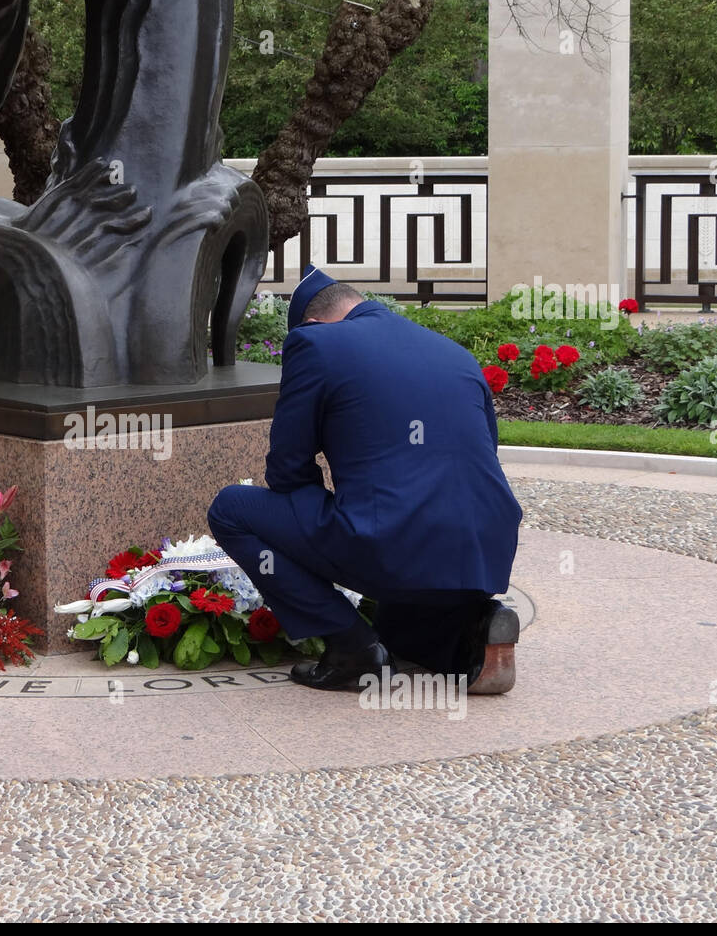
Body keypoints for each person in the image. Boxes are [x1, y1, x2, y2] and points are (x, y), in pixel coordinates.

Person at [208, 266, 524, 692]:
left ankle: (353, 650)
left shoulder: (315, 343)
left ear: (313, 323)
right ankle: (477, 627)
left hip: (391, 542)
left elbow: (286, 468)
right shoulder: (454, 353)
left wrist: (325, 521)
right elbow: (484, 452)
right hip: (484, 551)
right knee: (398, 631)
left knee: (232, 509)